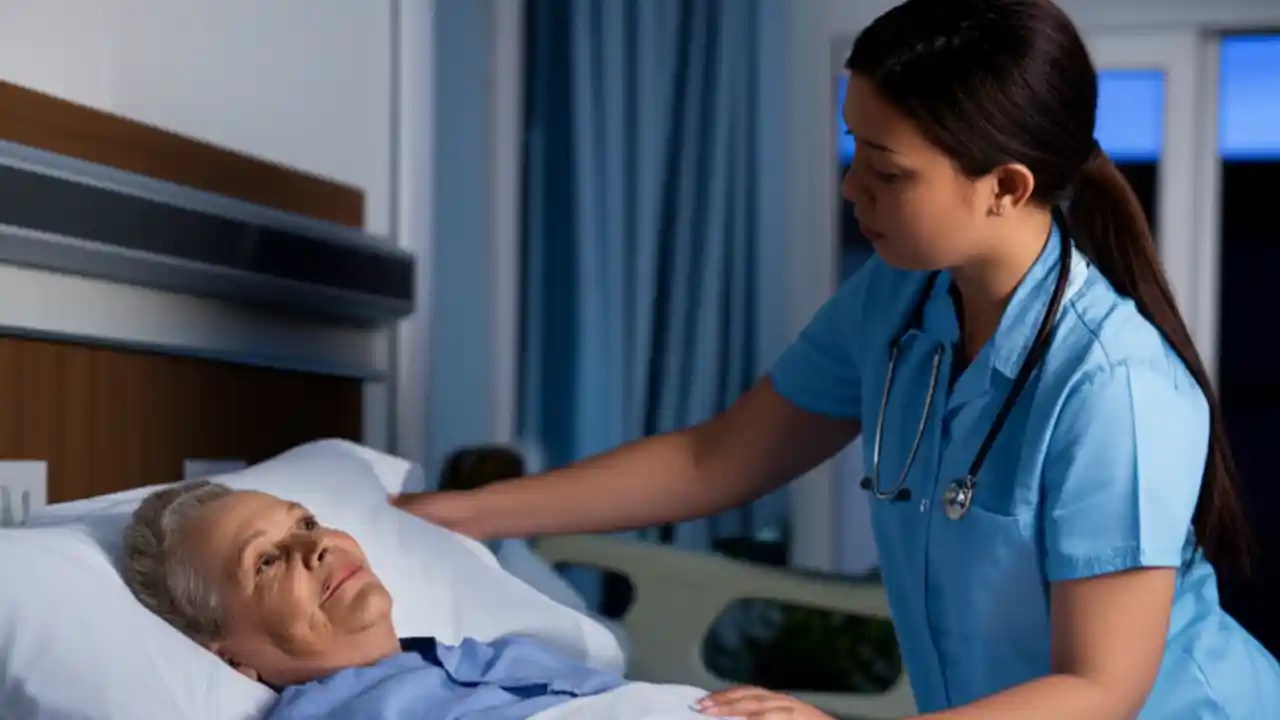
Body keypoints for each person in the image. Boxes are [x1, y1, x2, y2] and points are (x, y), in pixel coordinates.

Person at [391, 0, 1280, 717]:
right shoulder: (899, 297)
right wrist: (463, 513)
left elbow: (1099, 688)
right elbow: (718, 458)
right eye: (854, 147)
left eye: (888, 171)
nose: (853, 187)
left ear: (1005, 187)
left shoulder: (1114, 387)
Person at [119, 481, 628, 719]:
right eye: (266, 563)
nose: (316, 545)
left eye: (307, 523)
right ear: (230, 656)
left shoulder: (497, 656)